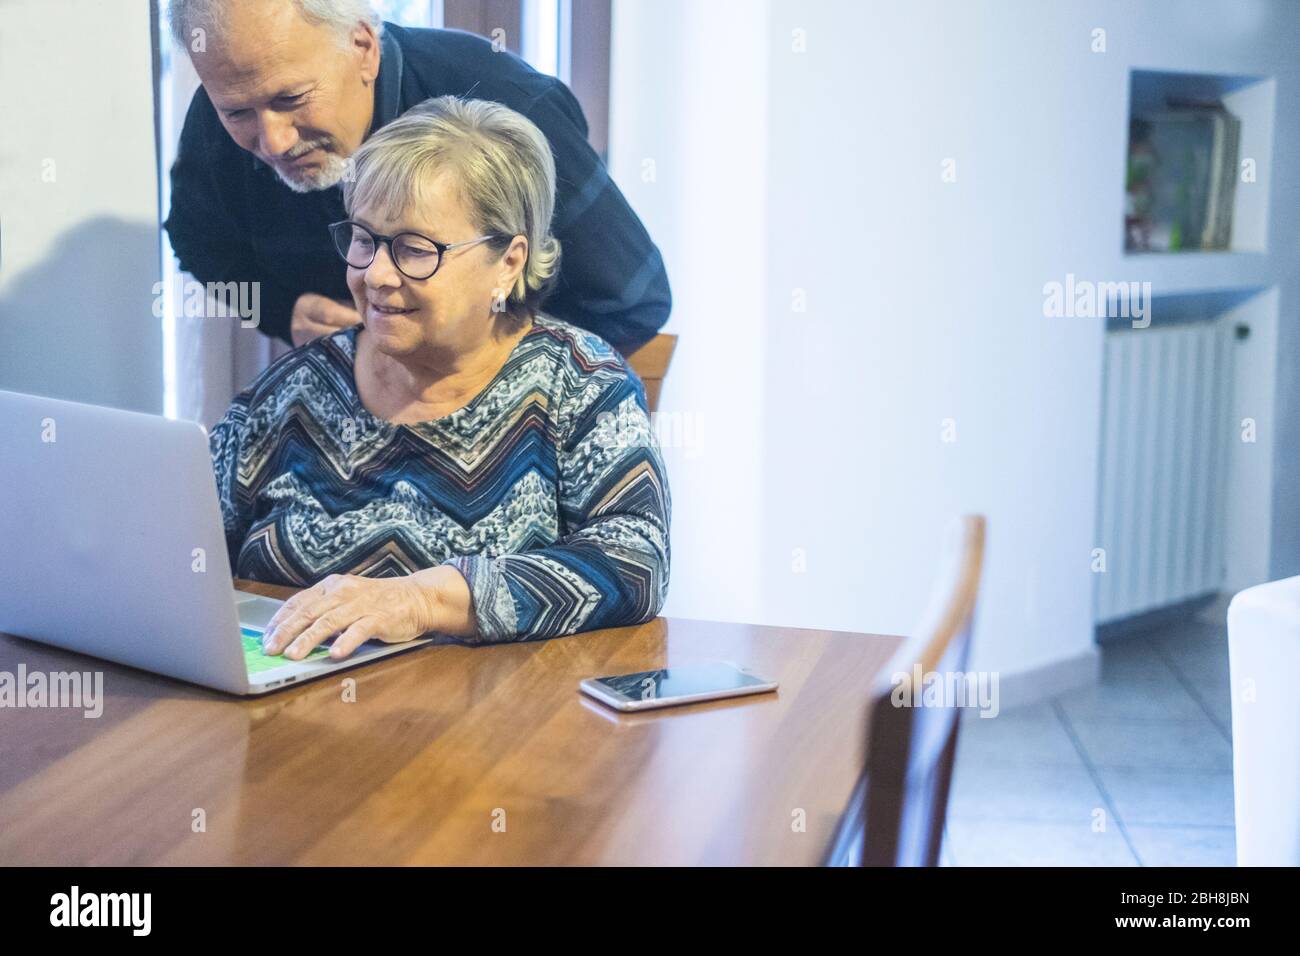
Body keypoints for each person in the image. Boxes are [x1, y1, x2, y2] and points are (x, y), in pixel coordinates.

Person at [209, 96, 670, 658]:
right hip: (293, 719)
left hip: (490, 729)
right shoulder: (296, 388)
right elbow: (182, 545)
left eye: (412, 249)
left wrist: (423, 600)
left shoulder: (580, 385)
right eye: (364, 239)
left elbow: (634, 562)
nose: (375, 275)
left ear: (508, 261)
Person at [164, 0, 670, 352]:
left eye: (290, 100)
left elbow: (632, 304)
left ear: (362, 46)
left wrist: (476, 353)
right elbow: (199, 240)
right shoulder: (225, 111)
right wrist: (284, 311)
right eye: (238, 113)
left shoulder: (510, 109)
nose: (272, 141)